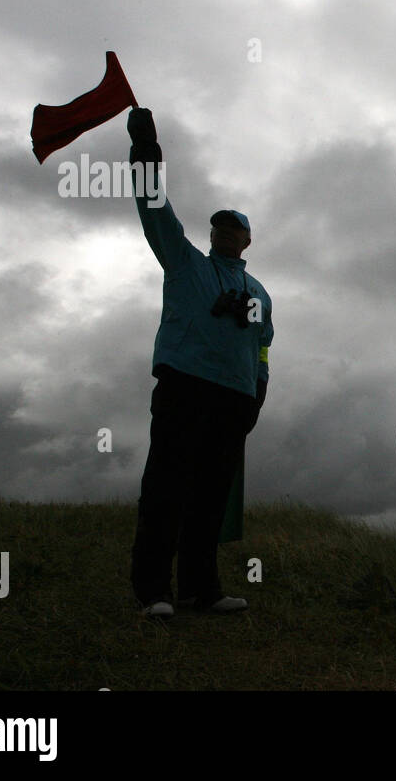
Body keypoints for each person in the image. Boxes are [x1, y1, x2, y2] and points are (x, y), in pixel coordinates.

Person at [126, 107, 273, 619]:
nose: (225, 232)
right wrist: (146, 149)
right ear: (210, 234)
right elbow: (153, 206)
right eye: (219, 226)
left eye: (234, 228)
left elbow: (263, 346)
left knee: (211, 496)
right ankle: (153, 591)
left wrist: (258, 392)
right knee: (166, 487)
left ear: (248, 239)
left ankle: (200, 590)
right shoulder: (185, 262)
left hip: (234, 401)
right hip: (184, 386)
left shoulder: (260, 294)